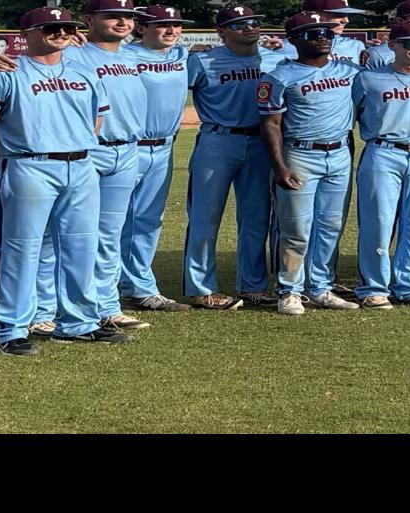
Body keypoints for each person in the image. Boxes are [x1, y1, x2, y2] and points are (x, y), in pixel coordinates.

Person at [0, 0, 153, 332]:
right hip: (30, 165)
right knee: (26, 248)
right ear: (26, 34)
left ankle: (82, 322)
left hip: (86, 162)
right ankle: (20, 324)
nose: (61, 33)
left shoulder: (88, 69)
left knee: (83, 244)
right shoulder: (8, 70)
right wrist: (15, 159)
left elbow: (95, 119)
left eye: (67, 29)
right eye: (50, 28)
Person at [258, 11, 364, 315]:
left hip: (340, 153)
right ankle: (289, 290)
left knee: (331, 225)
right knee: (296, 228)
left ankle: (321, 287)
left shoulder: (348, 71)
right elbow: (271, 124)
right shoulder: (279, 76)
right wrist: (279, 166)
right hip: (300, 153)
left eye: (327, 33)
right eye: (312, 33)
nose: (322, 38)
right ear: (293, 40)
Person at [182, 5, 287, 309]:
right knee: (204, 218)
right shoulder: (202, 61)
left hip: (261, 142)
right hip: (218, 140)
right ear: (221, 32)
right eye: (238, 24)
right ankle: (201, 288)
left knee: (256, 218)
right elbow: (172, 88)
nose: (248, 28)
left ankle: (253, 286)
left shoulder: (274, 58)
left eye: (253, 22)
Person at [349, 18, 410, 308]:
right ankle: (373, 287)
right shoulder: (368, 78)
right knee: (378, 222)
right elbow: (352, 114)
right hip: (383, 150)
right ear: (392, 45)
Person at [118, 6, 195, 312]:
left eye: (176, 25)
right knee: (110, 222)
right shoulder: (123, 56)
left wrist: (273, 44)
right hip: (127, 146)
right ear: (142, 27)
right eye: (163, 25)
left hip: (163, 148)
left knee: (148, 220)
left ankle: (139, 287)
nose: (171, 30)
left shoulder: (183, 56)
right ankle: (98, 291)